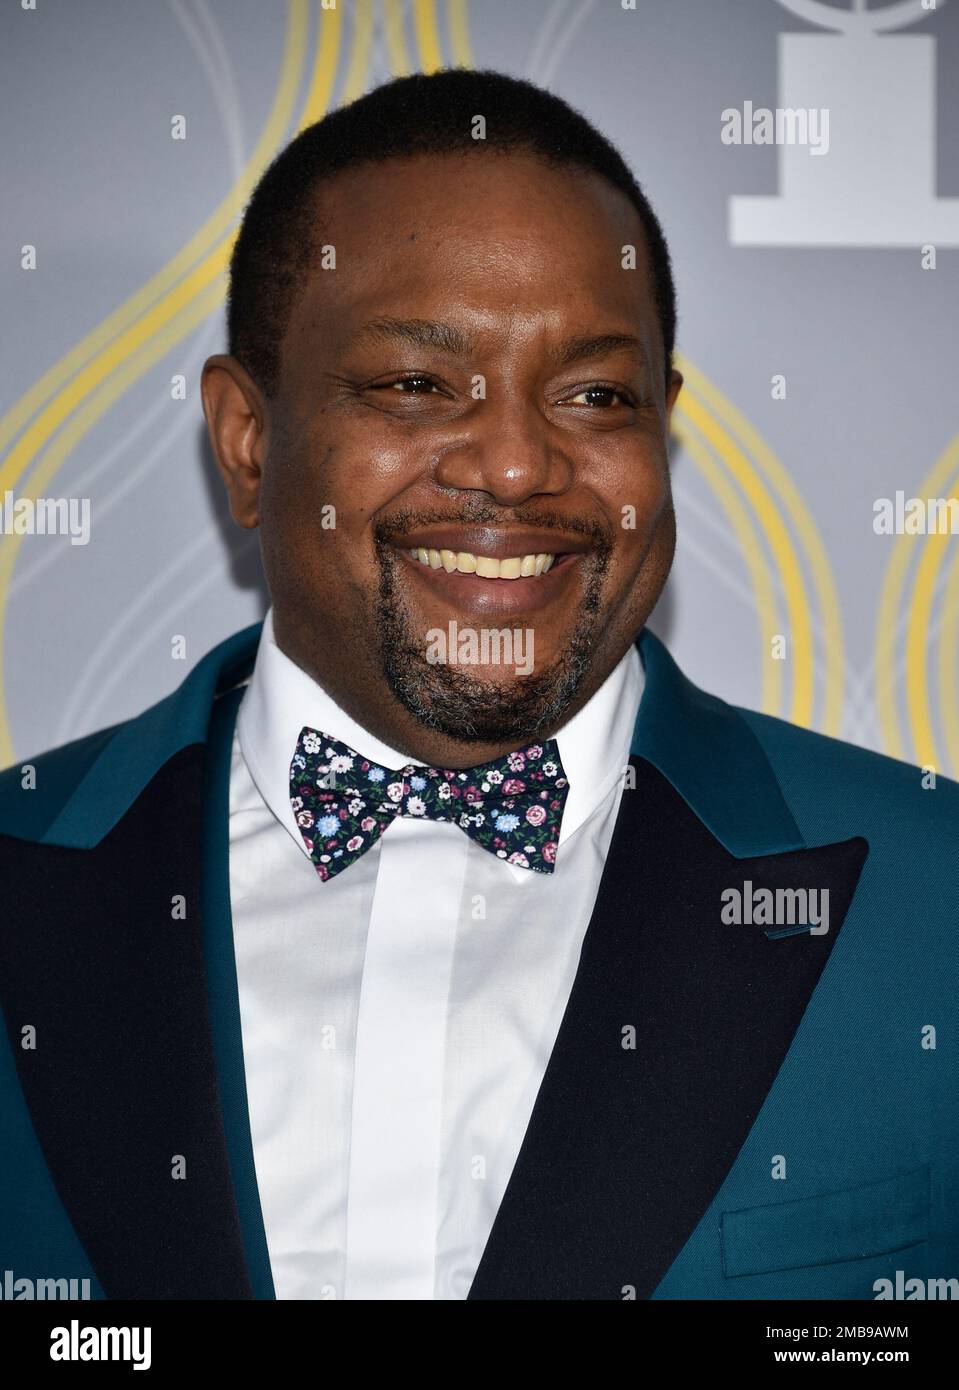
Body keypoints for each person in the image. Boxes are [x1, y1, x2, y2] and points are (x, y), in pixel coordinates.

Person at [0, 69, 954, 1303]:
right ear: (248, 444)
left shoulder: (932, 900)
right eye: (414, 384)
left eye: (595, 395)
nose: (514, 463)